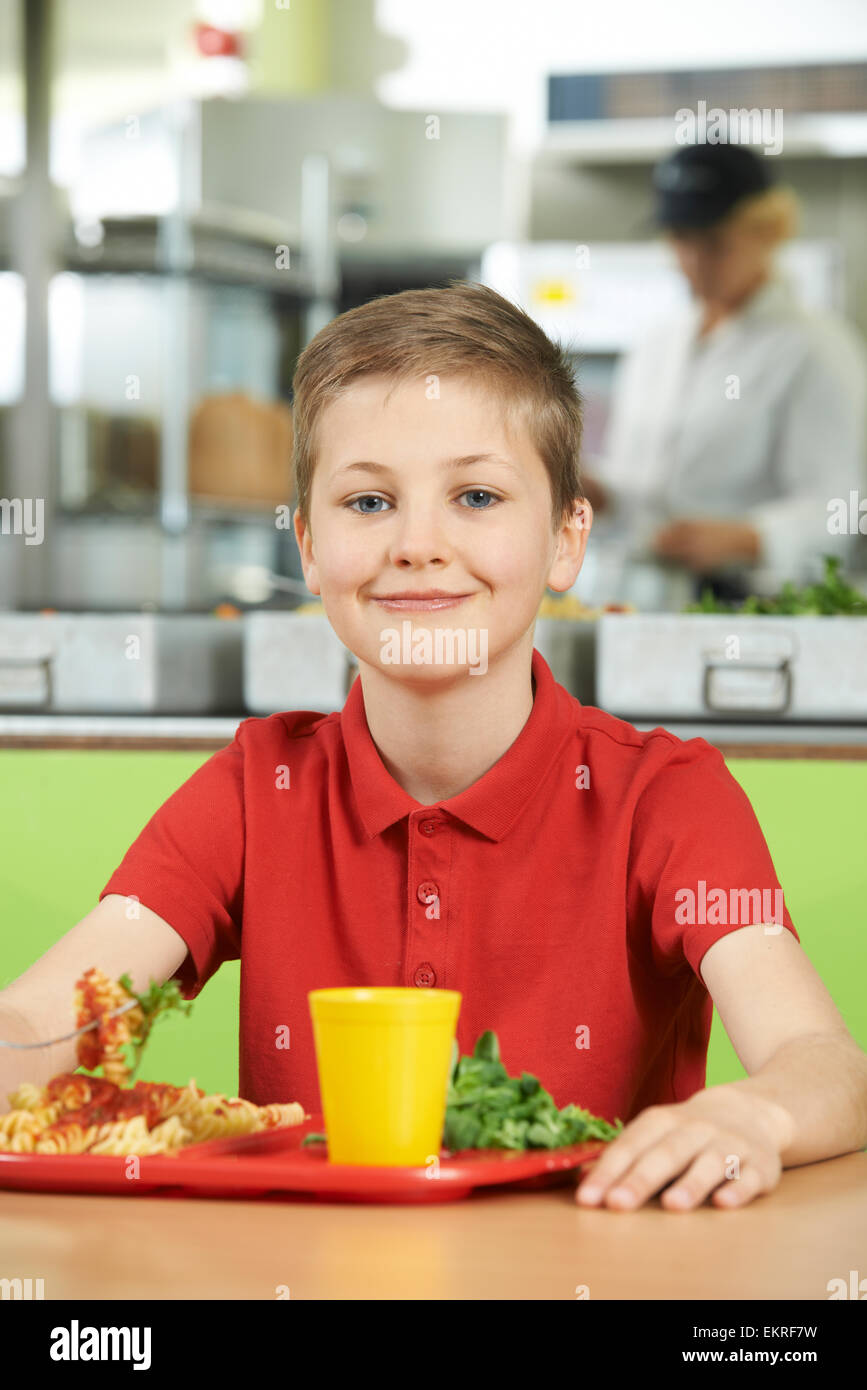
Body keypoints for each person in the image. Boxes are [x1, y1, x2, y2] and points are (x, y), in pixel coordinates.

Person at [2, 282, 866, 1213]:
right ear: (306, 544)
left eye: (477, 495)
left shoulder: (666, 797)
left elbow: (823, 1066)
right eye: (368, 501)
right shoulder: (257, 788)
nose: (417, 543)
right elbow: (52, 1015)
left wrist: (755, 1117)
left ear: (566, 539)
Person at [582, 142, 867, 601]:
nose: (694, 260)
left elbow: (839, 506)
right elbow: (640, 484)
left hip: (749, 606)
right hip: (637, 597)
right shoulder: (655, 343)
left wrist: (748, 537)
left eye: (714, 242)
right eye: (679, 238)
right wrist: (595, 487)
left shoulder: (816, 348)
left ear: (768, 231)